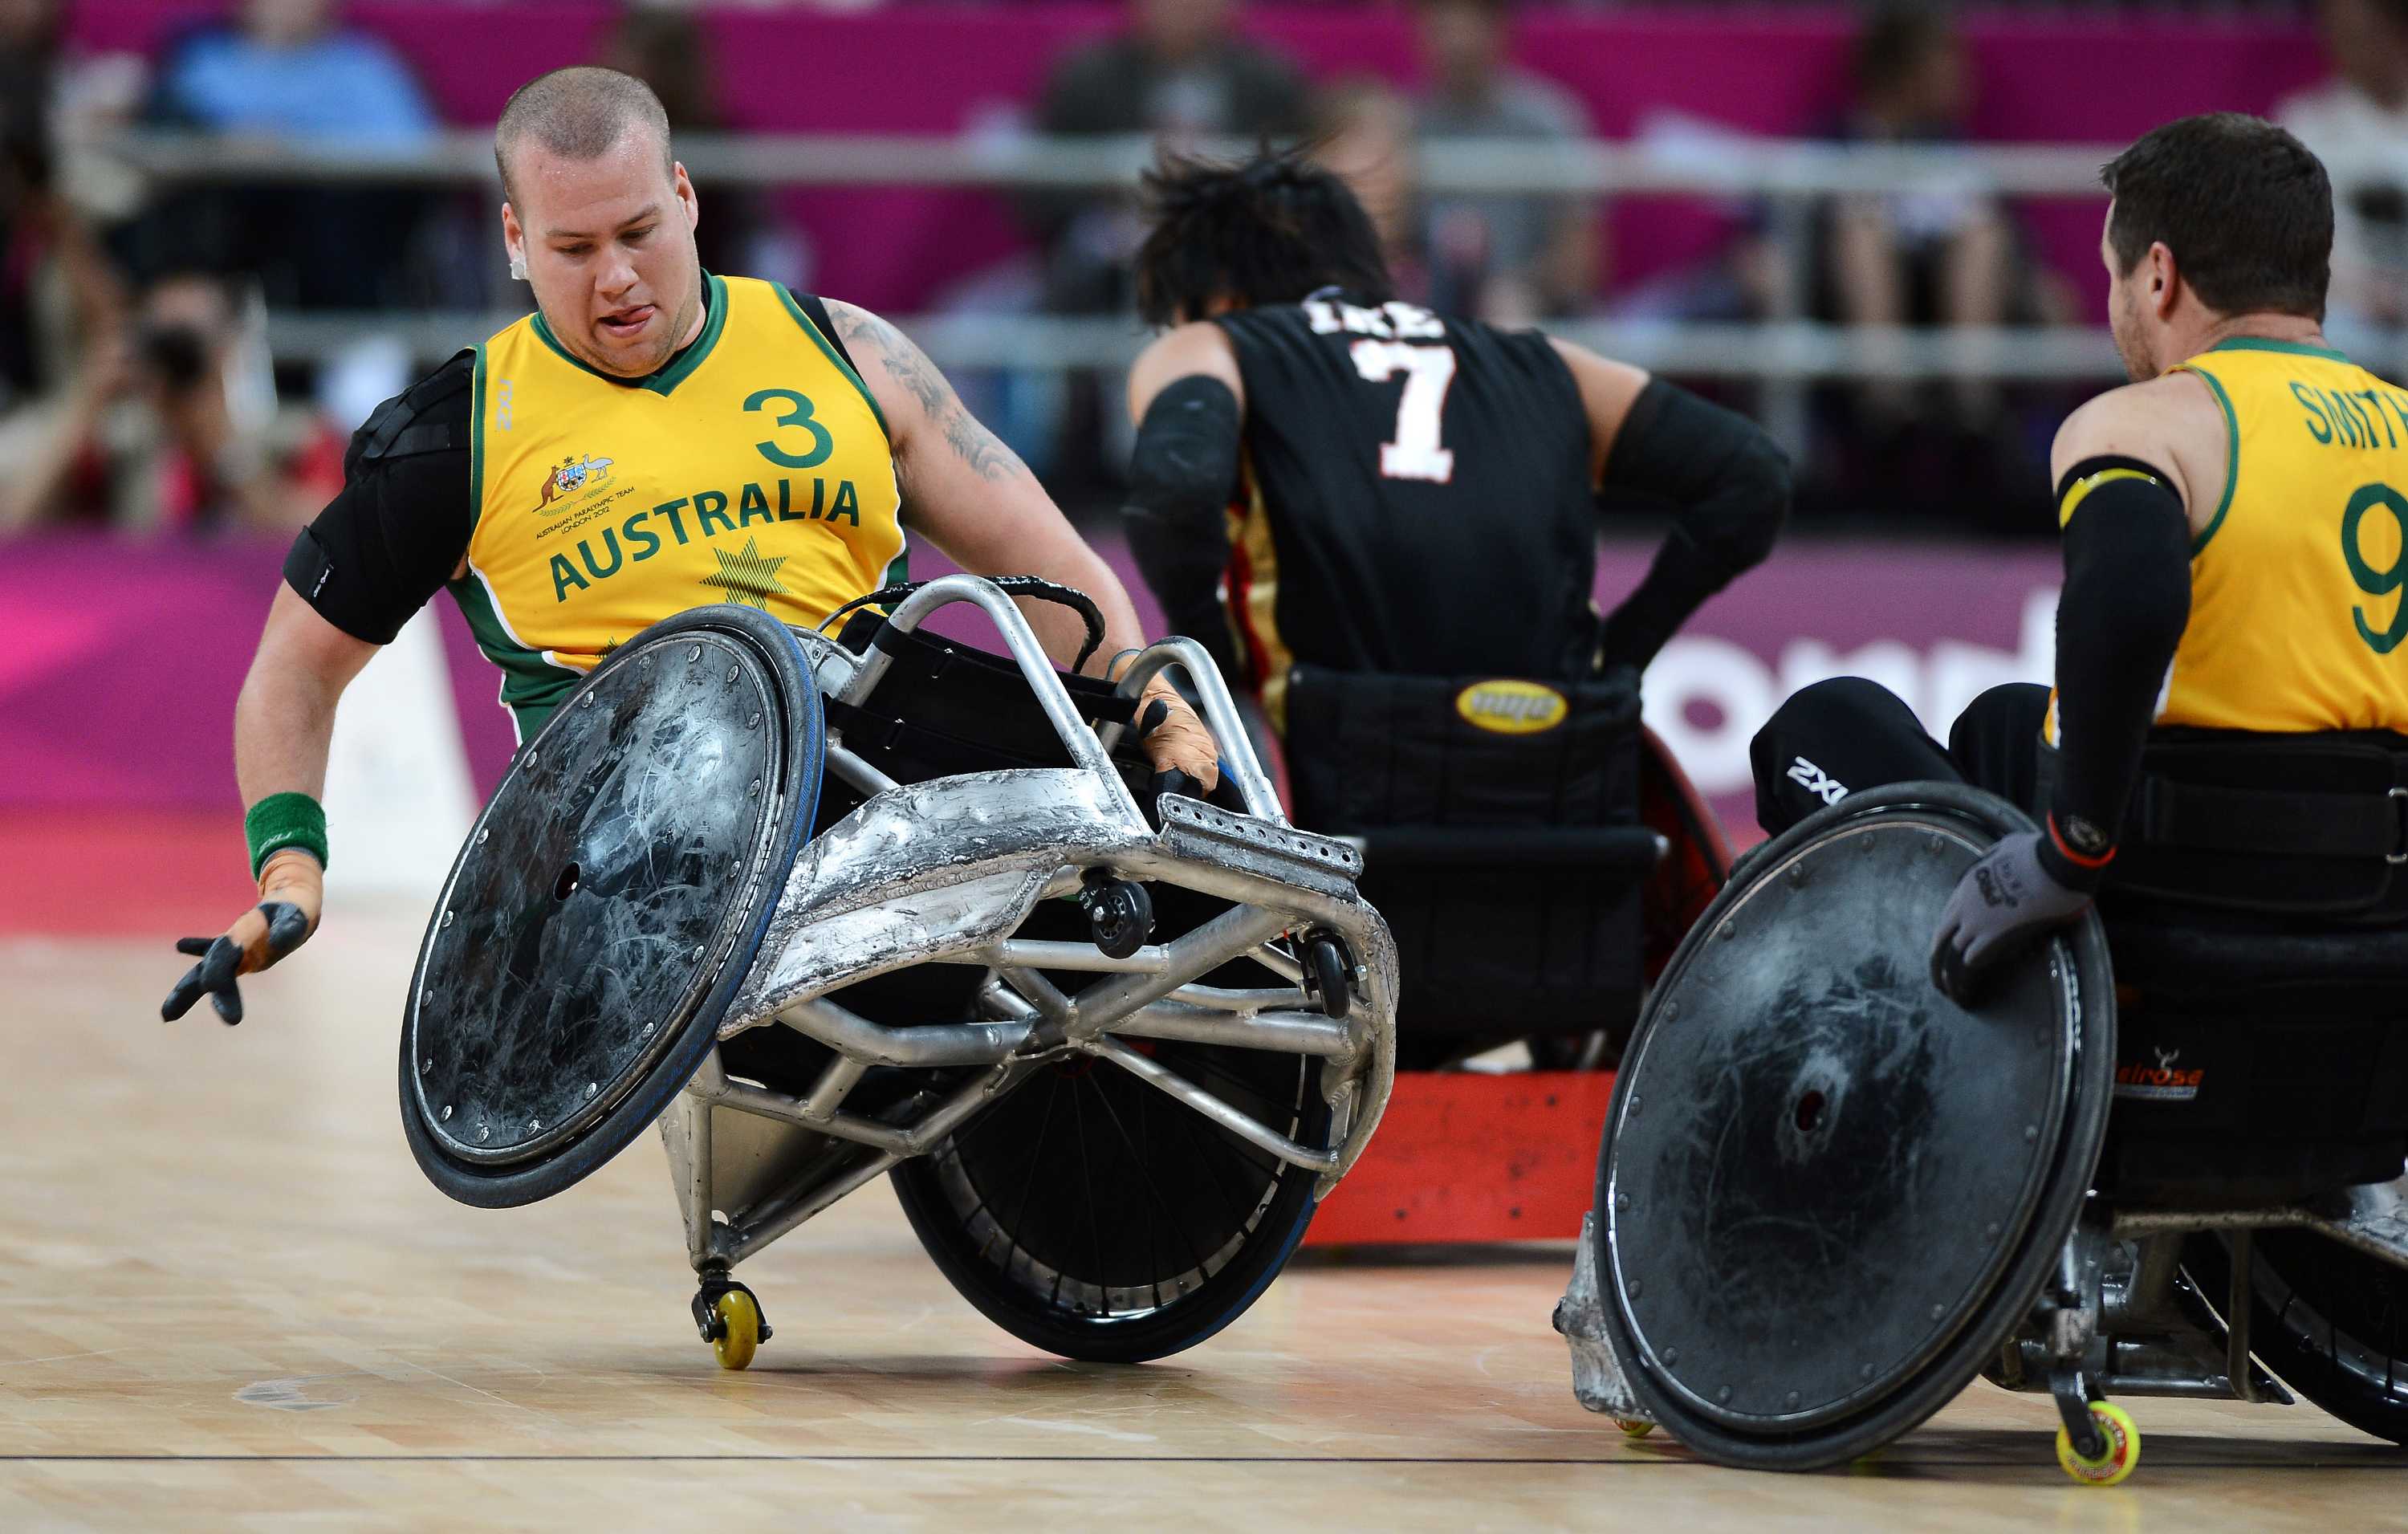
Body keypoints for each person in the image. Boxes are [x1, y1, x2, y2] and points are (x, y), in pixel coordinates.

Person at [160, 67, 1219, 1026]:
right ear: (516, 243)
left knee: (1149, 776)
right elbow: (295, 667)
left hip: (887, 755)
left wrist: (1145, 697)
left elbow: (1059, 581)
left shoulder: (847, 349)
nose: (615, 277)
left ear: (686, 198)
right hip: (641, 836)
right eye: (573, 249)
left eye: (638, 232)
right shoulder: (453, 434)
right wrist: (290, 870)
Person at [1742, 114, 2405, 999]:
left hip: (2180, 893)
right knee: (2005, 725)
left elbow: (2129, 600)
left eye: (2114, 277)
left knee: (1817, 728)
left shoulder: (2152, 420)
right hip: (2375, 891)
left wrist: (2071, 851)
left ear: (2160, 277)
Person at [1120, 149, 1787, 737]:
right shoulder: (1544, 361)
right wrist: (1618, 662)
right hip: (1556, 773)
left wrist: (1212, 680)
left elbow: (1175, 488)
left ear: (1220, 298)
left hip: (1332, 780)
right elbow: (1752, 475)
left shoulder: (1214, 343)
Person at [1408, 0, 1597, 324]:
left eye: (1470, 26)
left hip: (1526, 308)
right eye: (1444, 28)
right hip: (1428, 303)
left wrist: (1523, 287)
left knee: (1506, 315)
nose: (1458, 43)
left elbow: (1581, 255)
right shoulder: (1407, 122)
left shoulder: (1548, 121)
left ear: (1501, 31)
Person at [2278, 0, 2408, 332]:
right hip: (2342, 328)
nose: (2351, 44)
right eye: (2338, 30)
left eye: (2367, 31)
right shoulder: (2304, 125)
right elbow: (2288, 245)